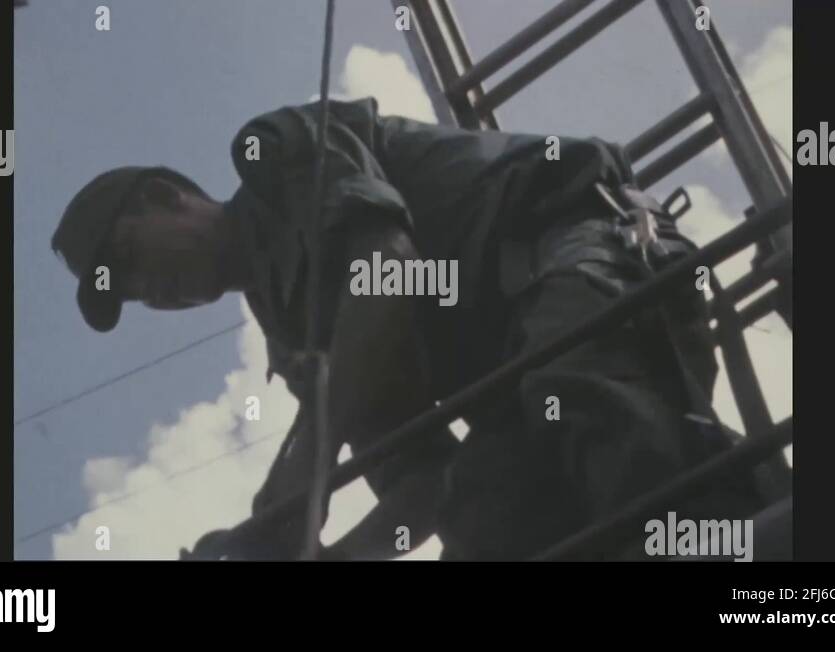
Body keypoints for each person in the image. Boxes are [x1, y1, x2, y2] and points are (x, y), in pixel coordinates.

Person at [51, 97, 763, 561]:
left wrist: (297, 483)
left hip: (577, 239)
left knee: (578, 390)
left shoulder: (270, 157)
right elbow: (423, 486)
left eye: (134, 264)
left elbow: (389, 272)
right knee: (490, 522)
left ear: (166, 196)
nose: (152, 294)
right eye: (136, 297)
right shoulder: (295, 339)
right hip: (521, 378)